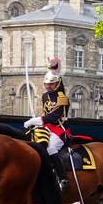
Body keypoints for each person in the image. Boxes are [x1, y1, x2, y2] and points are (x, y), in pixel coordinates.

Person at [23, 58, 71, 189]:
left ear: (57, 83)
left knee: (51, 148)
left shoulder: (63, 98)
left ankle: (63, 178)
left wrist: (35, 120)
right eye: (46, 84)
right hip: (47, 128)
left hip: (59, 129)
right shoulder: (45, 96)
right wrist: (38, 123)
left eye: (51, 84)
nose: (48, 86)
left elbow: (55, 116)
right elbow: (45, 113)